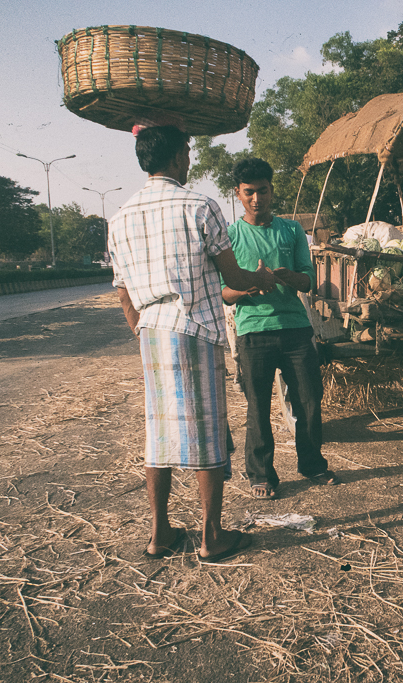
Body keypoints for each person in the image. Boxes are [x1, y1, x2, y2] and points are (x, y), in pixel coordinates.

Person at [109, 124, 275, 563]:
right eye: (186, 149)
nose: (189, 156)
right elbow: (233, 277)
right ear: (176, 157)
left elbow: (122, 289)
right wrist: (261, 279)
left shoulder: (120, 215)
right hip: (193, 328)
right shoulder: (199, 205)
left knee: (158, 433)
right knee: (206, 433)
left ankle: (160, 534)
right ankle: (211, 536)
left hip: (151, 330)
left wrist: (141, 326)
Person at [221, 158, 338, 500]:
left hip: (296, 330)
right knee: (257, 406)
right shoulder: (230, 236)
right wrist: (250, 287)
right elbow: (225, 294)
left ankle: (313, 465)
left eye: (263, 191)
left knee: (310, 400)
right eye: (249, 192)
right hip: (253, 332)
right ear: (238, 194)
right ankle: (261, 475)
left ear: (272, 190)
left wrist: (287, 276)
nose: (257, 198)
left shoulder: (290, 231)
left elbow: (309, 280)